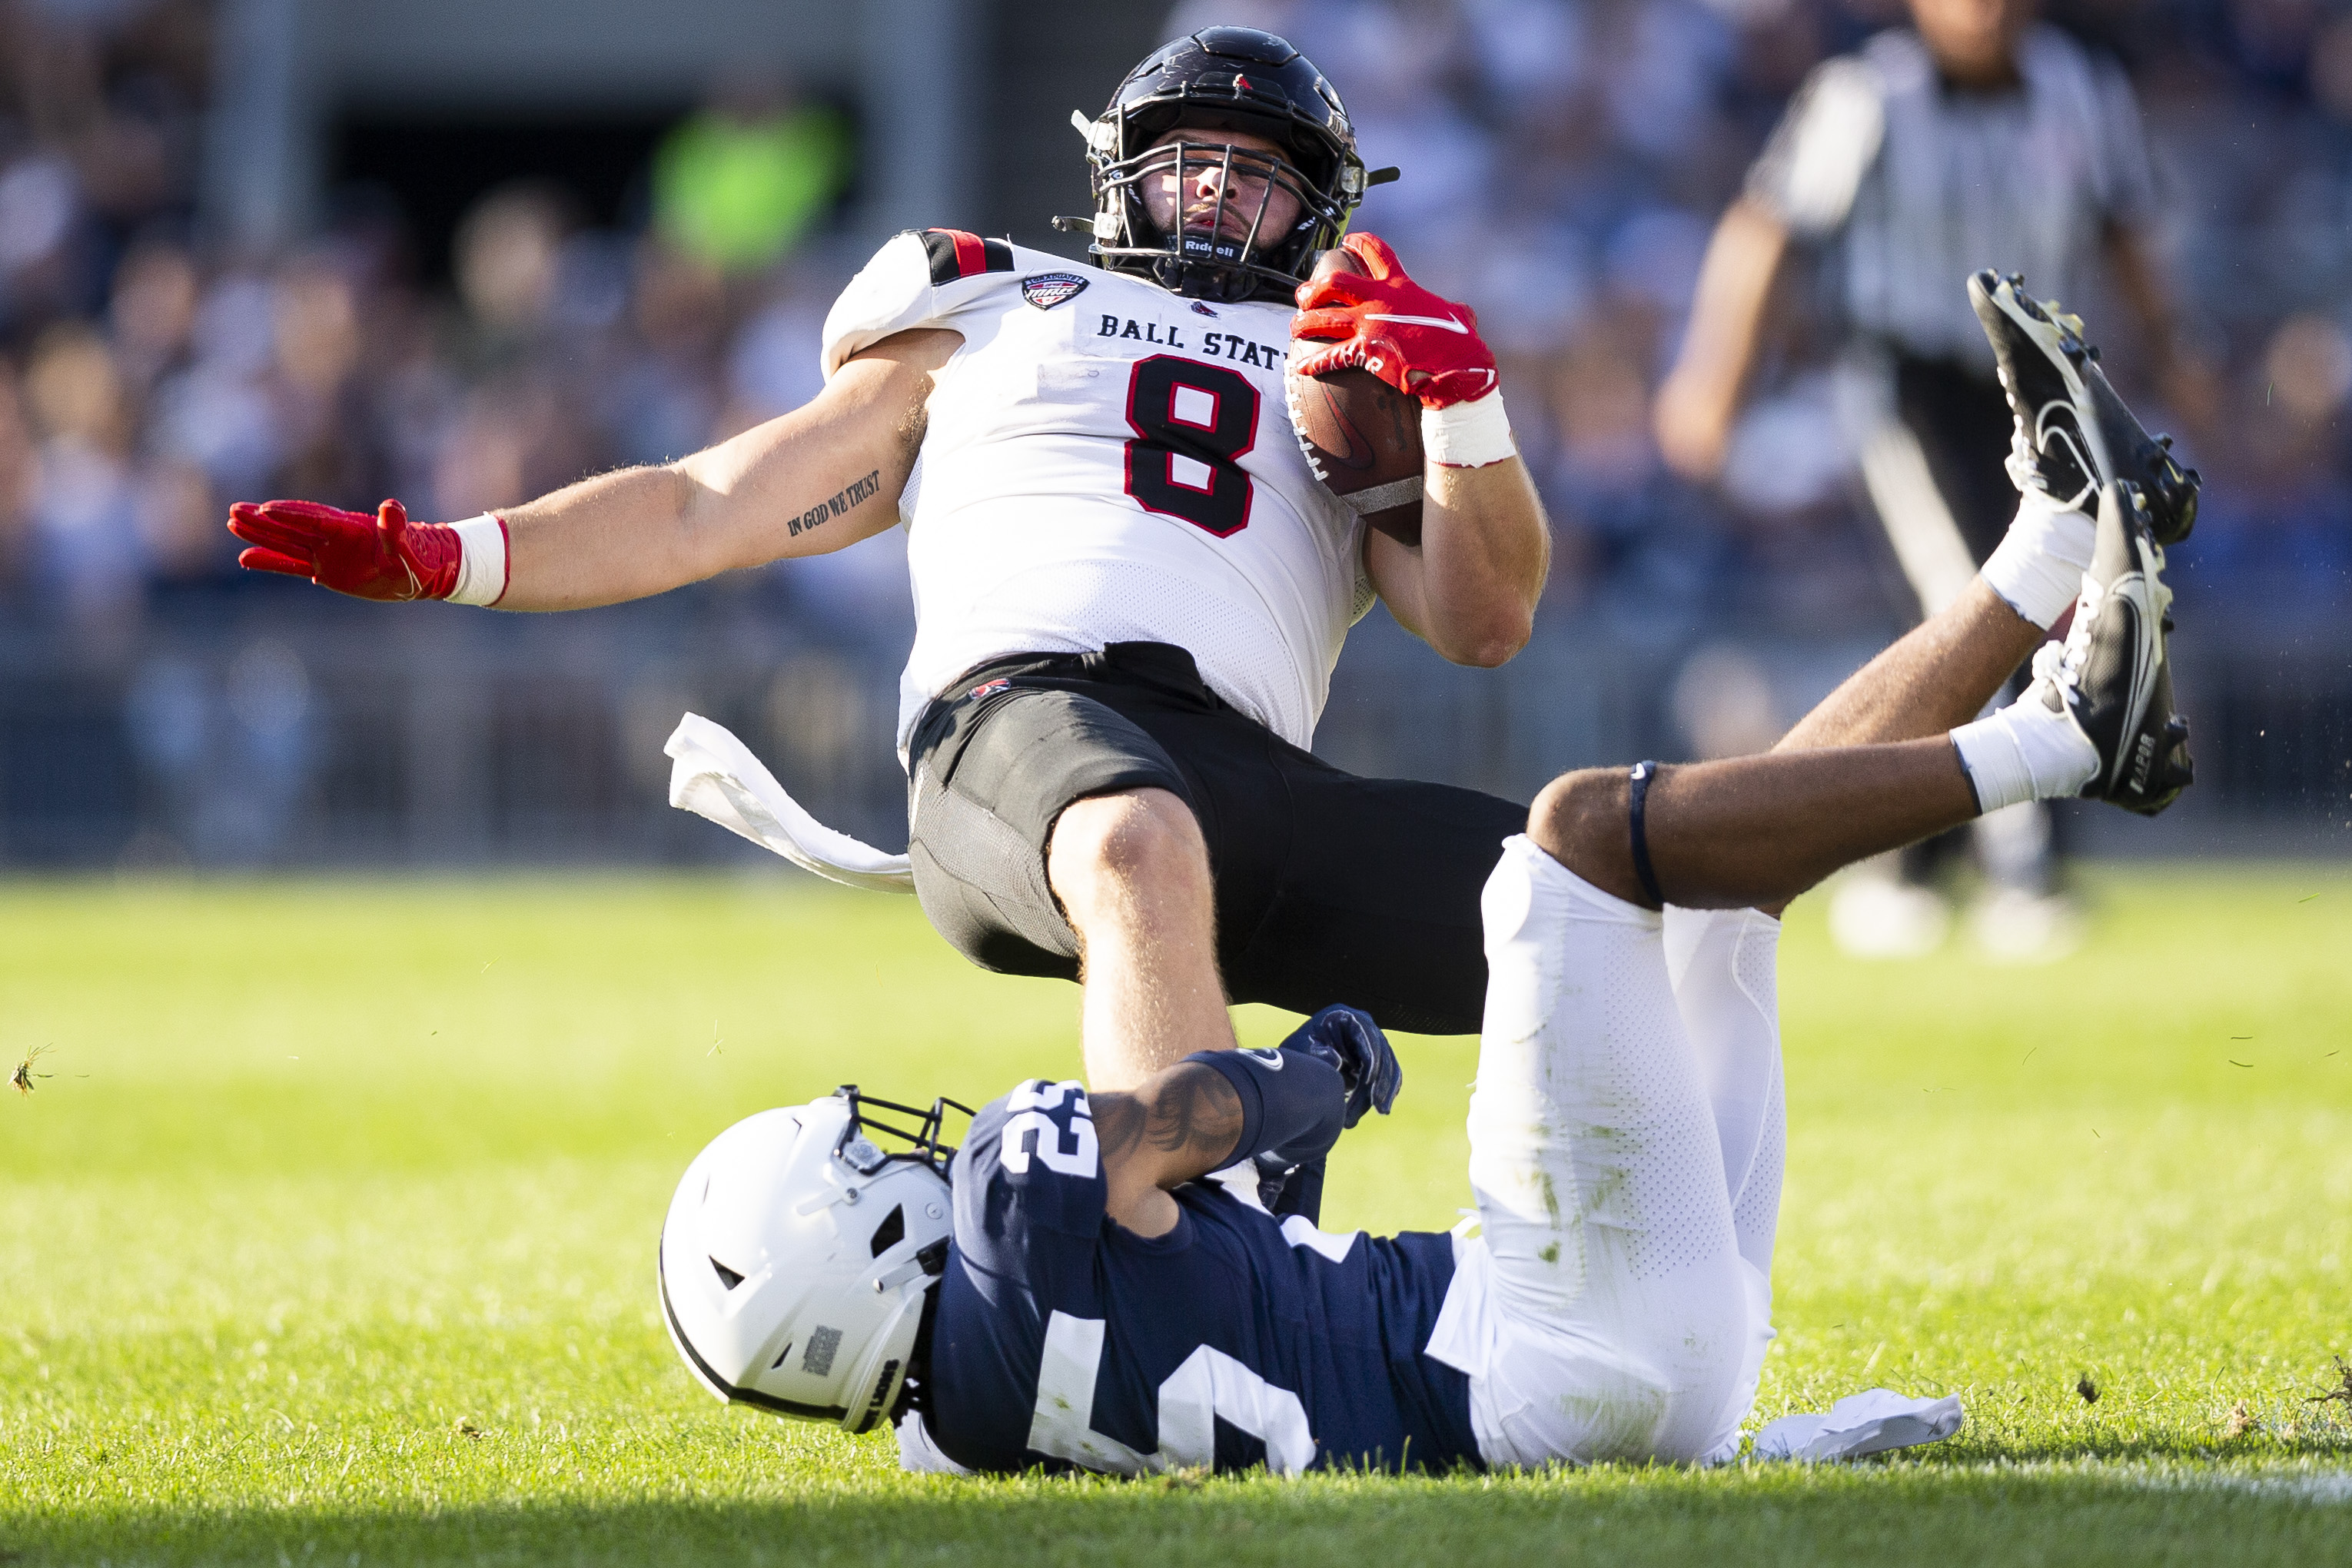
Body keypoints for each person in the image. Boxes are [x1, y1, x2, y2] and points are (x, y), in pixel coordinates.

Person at [655, 277, 2195, 1473]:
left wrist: (1273, 1163)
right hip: (1546, 1339)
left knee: (1717, 880)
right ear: (838, 1249)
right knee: (1573, 845)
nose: (902, 1148)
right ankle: (2067, 745)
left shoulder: (961, 1434)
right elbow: (1215, 1116)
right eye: (859, 1163)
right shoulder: (1007, 1198)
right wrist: (1316, 1067)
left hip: (1634, 1379)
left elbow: (1219, 1275)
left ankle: (2050, 552)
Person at [223, 28, 1549, 1091]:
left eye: (1258, 171)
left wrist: (1466, 412)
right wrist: (453, 555)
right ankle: (1181, 1286)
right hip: (1027, 723)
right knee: (1138, 839)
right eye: (1190, 158)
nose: (1215, 187)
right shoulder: (998, 300)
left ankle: (1636, 1346)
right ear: (1117, 171)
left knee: (1590, 908)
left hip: (1253, 771)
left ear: (1317, 209)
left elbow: (1486, 621)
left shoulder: (1347, 378)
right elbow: (707, 504)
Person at [1652, 0, 2205, 959]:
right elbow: (1765, 230)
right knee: (1977, 595)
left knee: (2015, 609)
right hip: (1906, 385)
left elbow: (2128, 232)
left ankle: (1914, 862)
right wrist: (1714, 379)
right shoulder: (1868, 94)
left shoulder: (2082, 88)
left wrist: (2177, 359)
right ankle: (2023, 871)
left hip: (2041, 394)